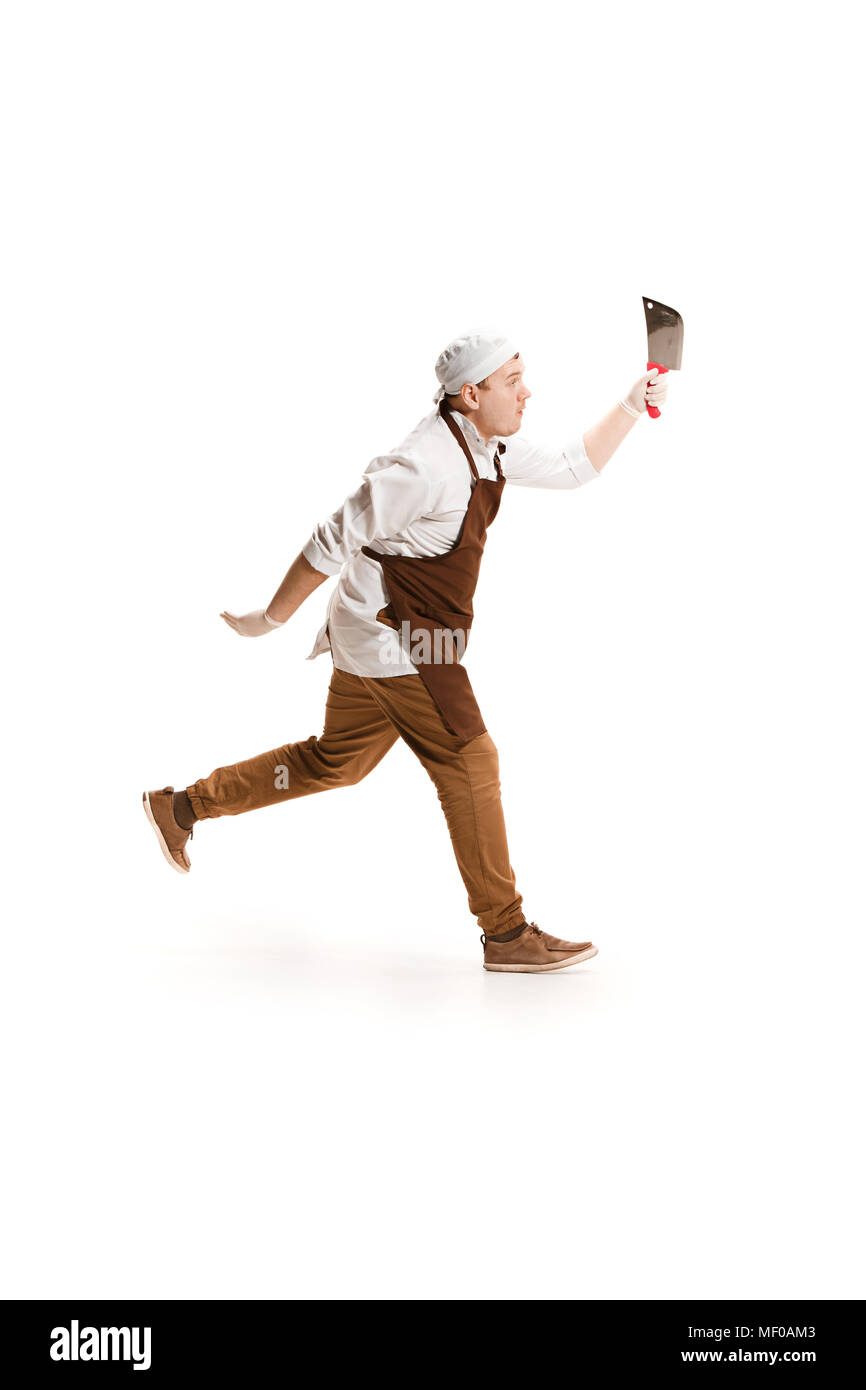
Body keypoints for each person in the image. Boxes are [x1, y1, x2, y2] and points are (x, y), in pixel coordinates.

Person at [143, 329, 669, 972]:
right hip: (401, 638)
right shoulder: (422, 466)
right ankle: (505, 934)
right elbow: (329, 539)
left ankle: (183, 806)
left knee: (336, 761)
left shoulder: (485, 445)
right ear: (469, 393)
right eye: (513, 381)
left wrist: (631, 404)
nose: (527, 392)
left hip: (383, 634)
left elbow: (571, 466)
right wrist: (271, 619)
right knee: (472, 761)